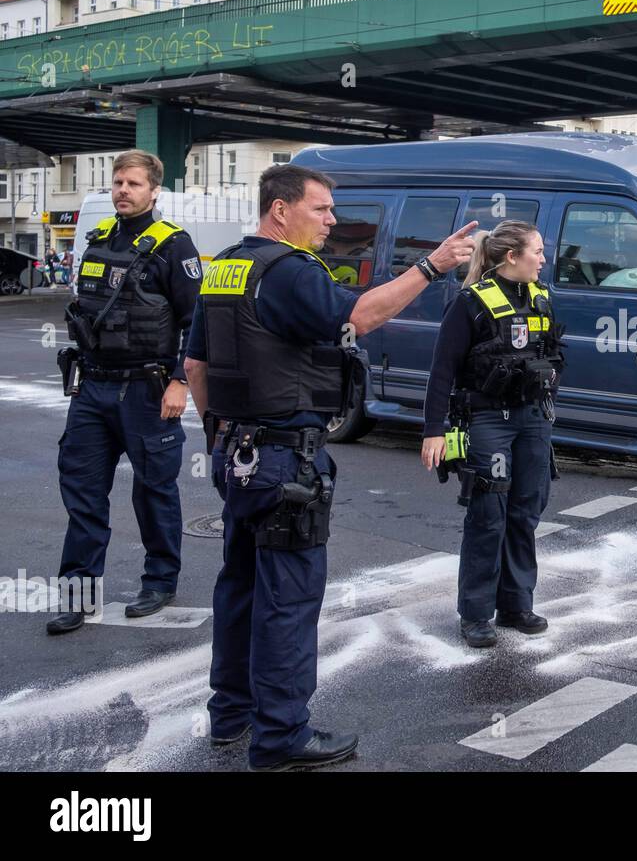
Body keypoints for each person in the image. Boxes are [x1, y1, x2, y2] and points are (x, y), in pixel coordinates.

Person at [184, 164, 477, 771]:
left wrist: (219, 433)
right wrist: (432, 266)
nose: (332, 220)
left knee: (239, 586)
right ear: (281, 211)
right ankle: (280, 737)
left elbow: (195, 365)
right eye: (321, 209)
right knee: (288, 599)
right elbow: (362, 315)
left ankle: (230, 715)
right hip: (284, 458)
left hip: (235, 451)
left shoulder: (227, 266)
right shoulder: (288, 271)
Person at [47, 150, 203, 635]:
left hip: (147, 391)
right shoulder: (98, 241)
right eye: (118, 182)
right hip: (93, 387)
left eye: (133, 184)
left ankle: (159, 581)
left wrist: (180, 381)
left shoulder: (174, 246)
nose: (123, 191)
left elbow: (198, 322)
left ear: (154, 190)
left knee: (154, 490)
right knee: (83, 491)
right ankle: (78, 593)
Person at [421, 220, 564, 648]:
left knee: (525, 511)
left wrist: (546, 380)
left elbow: (556, 354)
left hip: (533, 419)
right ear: (511, 257)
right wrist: (434, 432)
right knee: (488, 516)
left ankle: (517, 603)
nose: (544, 258)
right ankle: (476, 614)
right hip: (488, 421)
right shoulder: (470, 303)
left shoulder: (541, 298)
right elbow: (442, 370)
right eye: (537, 251)